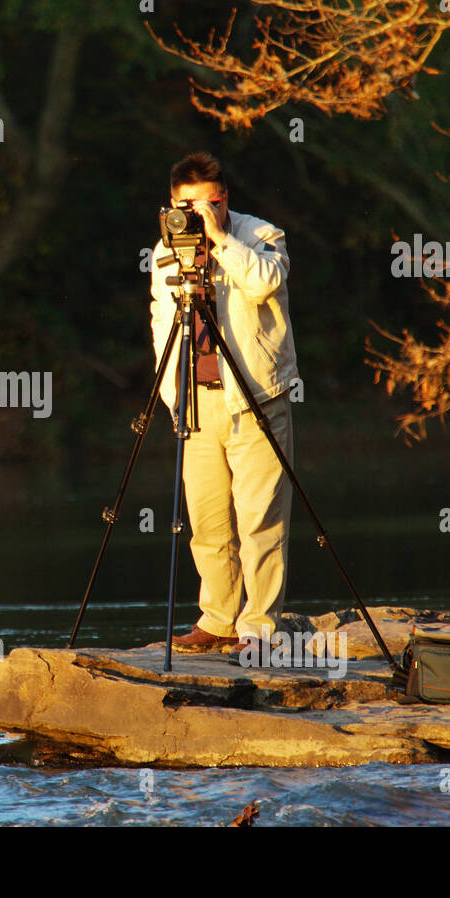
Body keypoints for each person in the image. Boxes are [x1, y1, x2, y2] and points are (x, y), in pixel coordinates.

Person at [149, 151, 299, 656]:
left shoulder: (260, 236)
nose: (196, 214)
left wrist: (221, 240)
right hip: (195, 403)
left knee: (260, 520)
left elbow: (264, 283)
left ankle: (258, 629)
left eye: (208, 203)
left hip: (256, 398)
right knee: (208, 522)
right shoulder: (165, 252)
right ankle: (217, 620)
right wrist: (171, 395)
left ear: (224, 199)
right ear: (171, 203)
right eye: (186, 206)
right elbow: (158, 320)